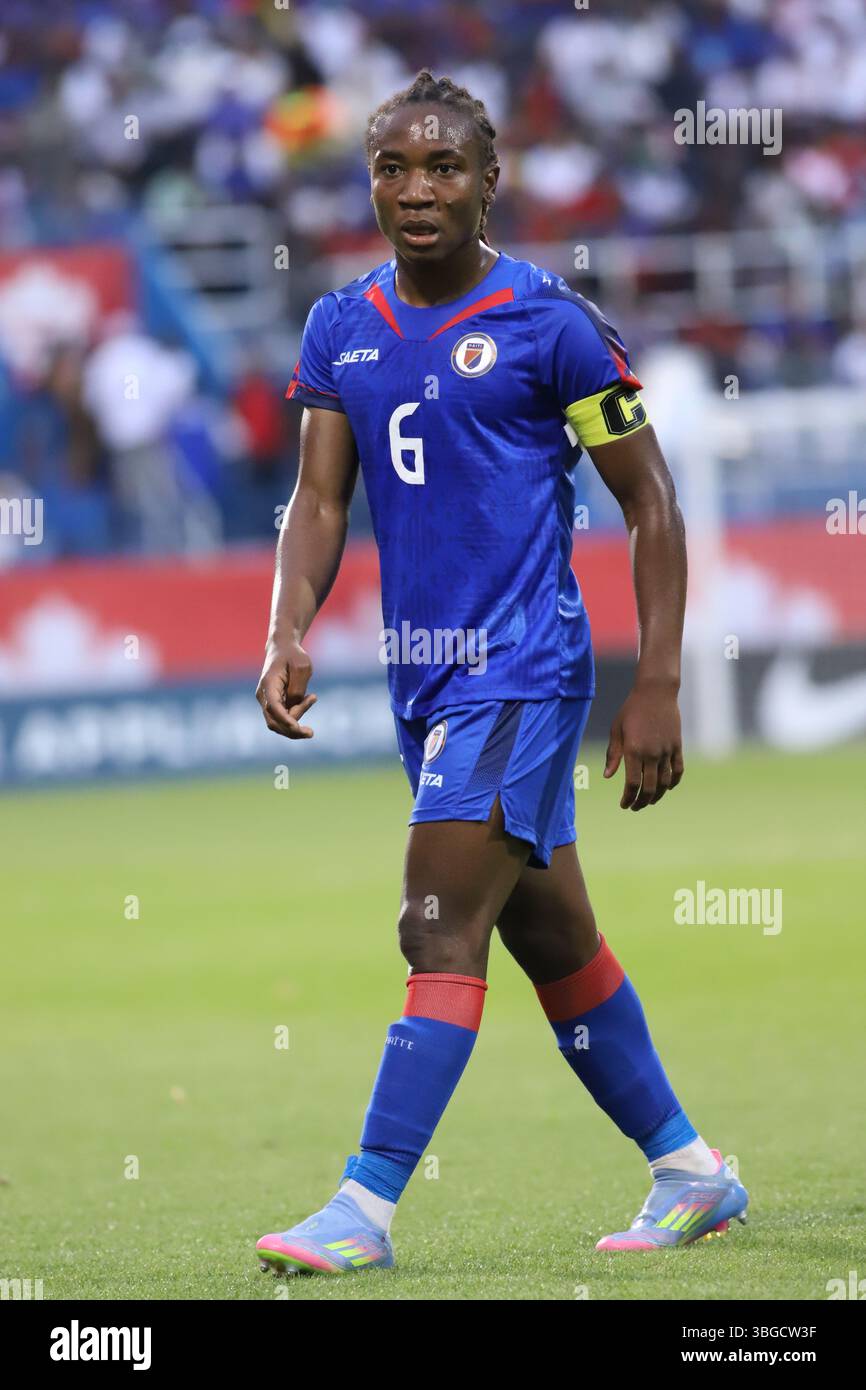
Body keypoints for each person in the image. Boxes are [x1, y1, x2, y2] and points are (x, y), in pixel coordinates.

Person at [254, 70, 748, 1276]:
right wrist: (286, 627)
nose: (415, 189)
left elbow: (652, 505)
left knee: (434, 924)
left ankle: (361, 1209)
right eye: (391, 167)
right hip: (425, 684)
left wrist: (658, 681)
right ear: (368, 180)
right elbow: (320, 498)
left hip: (523, 671)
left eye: (441, 168)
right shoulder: (340, 324)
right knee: (551, 935)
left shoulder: (551, 325)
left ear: (489, 183)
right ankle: (690, 1171)